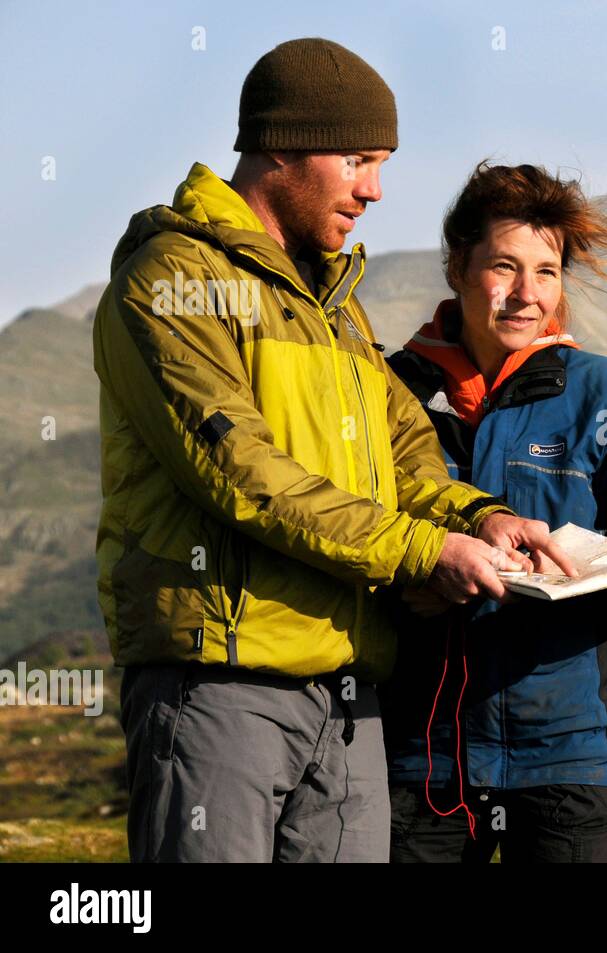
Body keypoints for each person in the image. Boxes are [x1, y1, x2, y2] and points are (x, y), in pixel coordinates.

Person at [94, 39, 575, 863]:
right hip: (221, 682)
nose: (375, 190)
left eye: (381, 163)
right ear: (283, 143)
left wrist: (482, 517)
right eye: (358, 160)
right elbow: (243, 475)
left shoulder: (333, 303)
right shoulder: (170, 280)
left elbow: (406, 456)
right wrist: (425, 548)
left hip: (348, 695)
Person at [382, 161, 607, 863]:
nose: (528, 294)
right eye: (505, 266)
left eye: (548, 271)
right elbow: (345, 533)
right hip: (424, 756)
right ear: (458, 265)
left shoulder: (605, 390)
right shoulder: (388, 389)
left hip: (577, 757)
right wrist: (405, 588)